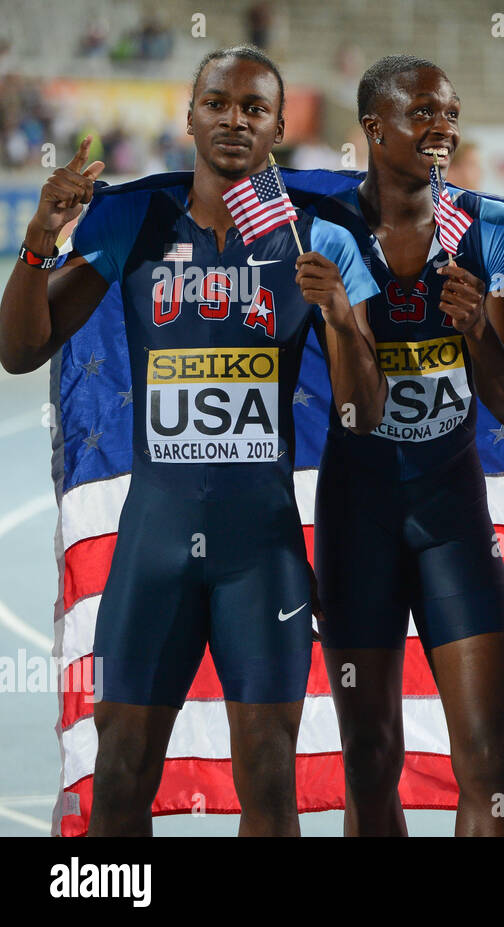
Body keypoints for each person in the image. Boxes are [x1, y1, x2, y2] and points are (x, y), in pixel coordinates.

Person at [0, 45, 385, 836]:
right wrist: (41, 239)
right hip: (154, 550)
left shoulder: (321, 239)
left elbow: (363, 414)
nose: (234, 120)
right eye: (217, 102)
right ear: (190, 115)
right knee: (118, 781)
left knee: (271, 785)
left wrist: (343, 319)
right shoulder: (134, 221)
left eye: (253, 108)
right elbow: (19, 350)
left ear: (279, 126)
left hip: (262, 553)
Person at [305, 56, 504, 836]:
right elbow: (352, 410)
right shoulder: (325, 232)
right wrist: (342, 320)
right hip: (357, 512)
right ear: (374, 129)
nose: (444, 128)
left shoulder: (489, 229)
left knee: (487, 759)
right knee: (369, 757)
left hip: (452, 516)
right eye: (424, 114)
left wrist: (476, 331)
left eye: (452, 113)